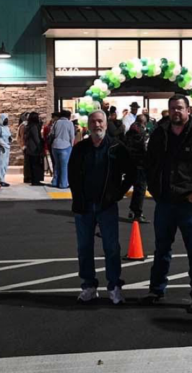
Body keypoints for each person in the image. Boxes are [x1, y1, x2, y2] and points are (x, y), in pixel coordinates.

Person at [143, 96, 192, 314]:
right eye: (172, 108)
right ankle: (156, 290)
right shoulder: (160, 133)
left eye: (180, 108)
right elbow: (149, 163)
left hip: (189, 203)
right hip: (165, 202)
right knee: (161, 249)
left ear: (188, 110)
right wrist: (155, 189)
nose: (176, 112)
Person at [68, 110, 136, 305]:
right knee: (84, 248)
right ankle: (89, 286)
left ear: (106, 124)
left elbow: (131, 173)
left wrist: (117, 194)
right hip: (84, 207)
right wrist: (77, 198)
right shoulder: (80, 148)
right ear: (88, 125)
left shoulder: (116, 148)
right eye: (93, 121)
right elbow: (72, 175)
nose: (96, 125)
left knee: (111, 248)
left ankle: (114, 287)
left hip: (107, 206)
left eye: (100, 121)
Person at [124, 114, 149, 224]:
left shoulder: (129, 132)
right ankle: (137, 213)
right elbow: (145, 148)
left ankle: (132, 211)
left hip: (130, 164)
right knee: (140, 189)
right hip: (141, 164)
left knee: (127, 186)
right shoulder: (143, 133)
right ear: (144, 122)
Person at [50, 110, 76, 189]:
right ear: (68, 116)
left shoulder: (56, 123)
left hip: (55, 146)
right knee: (64, 166)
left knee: (57, 165)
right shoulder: (70, 123)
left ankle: (55, 182)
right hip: (65, 146)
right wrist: (72, 146)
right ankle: (63, 184)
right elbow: (72, 136)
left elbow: (52, 134)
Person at [23, 112, 44, 186]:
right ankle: (36, 181)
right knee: (35, 165)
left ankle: (33, 180)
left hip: (30, 148)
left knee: (32, 165)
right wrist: (40, 146)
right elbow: (36, 138)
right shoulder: (34, 127)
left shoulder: (28, 126)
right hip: (34, 148)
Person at [0, 113, 12, 187]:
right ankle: (1, 180)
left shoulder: (6, 127)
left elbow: (9, 136)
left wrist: (10, 140)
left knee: (5, 164)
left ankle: (3, 179)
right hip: (0, 147)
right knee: (0, 164)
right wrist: (4, 144)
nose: (6, 121)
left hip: (7, 147)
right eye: (5, 119)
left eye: (7, 119)